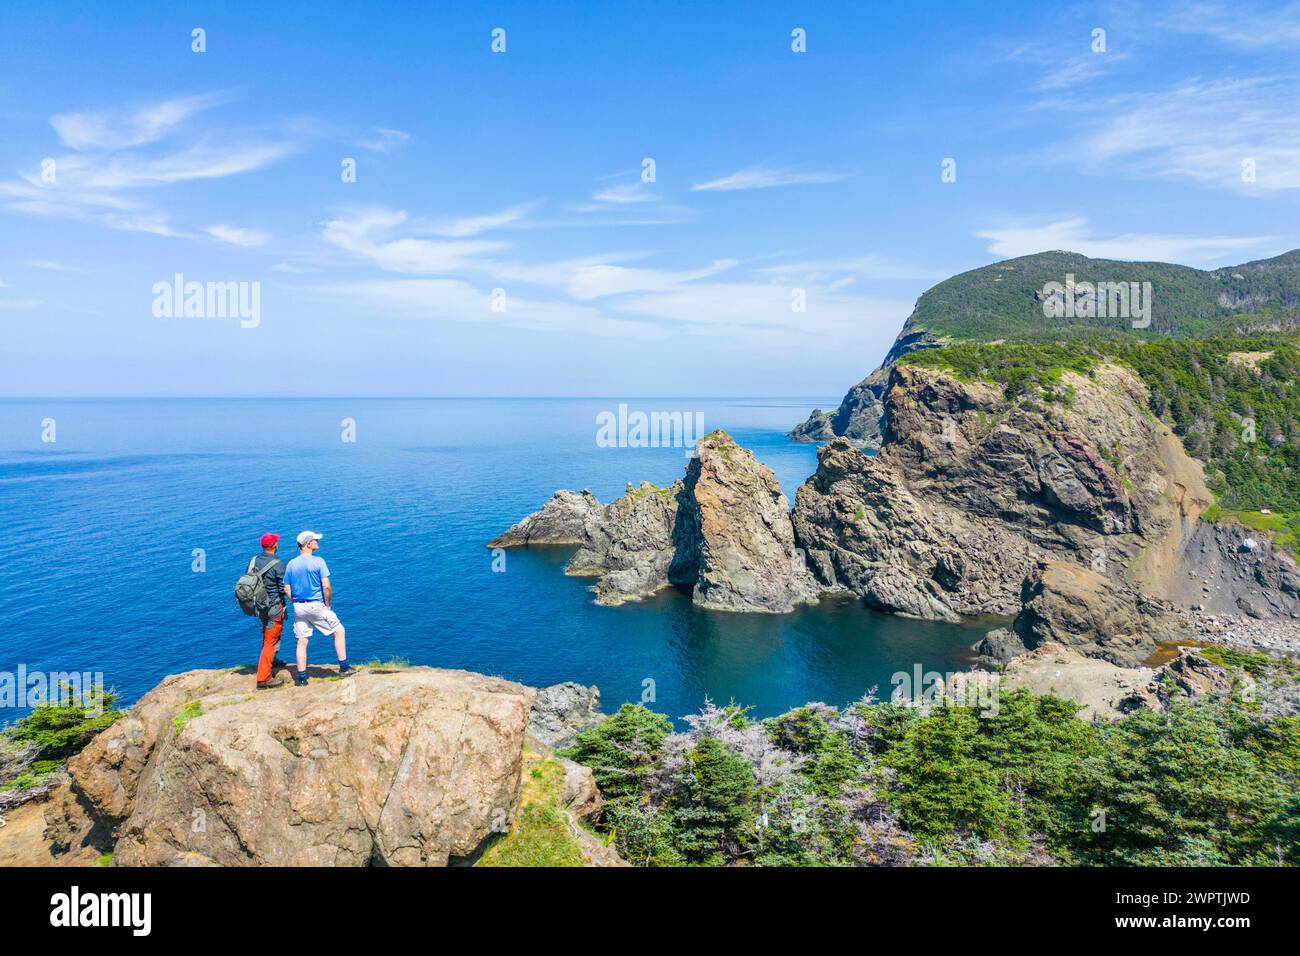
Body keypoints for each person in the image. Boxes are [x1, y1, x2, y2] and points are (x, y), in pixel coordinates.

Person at [282, 530, 351, 685]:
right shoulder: (318, 561)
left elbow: (286, 587)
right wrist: (327, 604)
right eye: (315, 540)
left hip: (299, 607)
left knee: (302, 641)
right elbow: (326, 586)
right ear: (308, 544)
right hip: (317, 605)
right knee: (339, 631)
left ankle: (301, 678)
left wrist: (296, 602)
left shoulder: (291, 564)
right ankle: (344, 668)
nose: (317, 542)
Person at [251, 533, 288, 689]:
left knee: (269, 635)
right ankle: (263, 679)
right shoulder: (278, 564)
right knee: (270, 640)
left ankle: (272, 660)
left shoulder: (253, 560)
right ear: (274, 546)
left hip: (260, 606)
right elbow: (283, 587)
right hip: (274, 607)